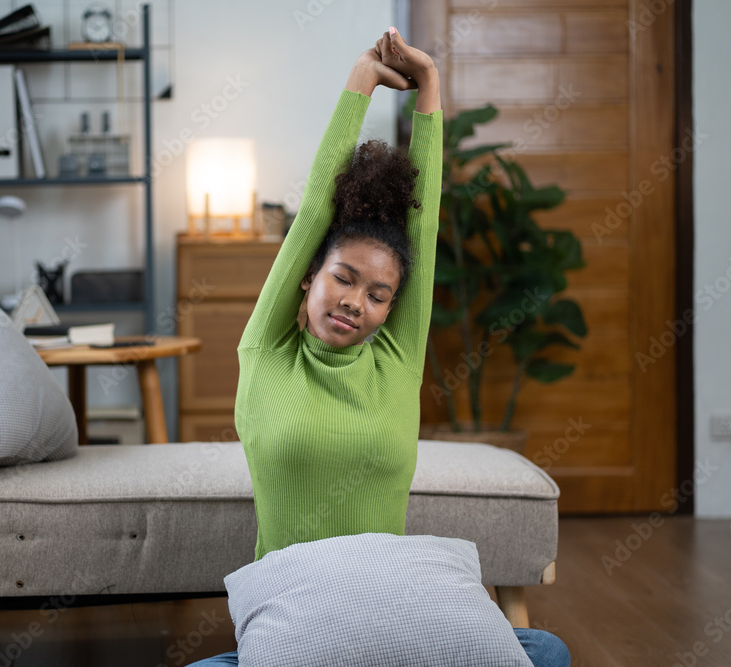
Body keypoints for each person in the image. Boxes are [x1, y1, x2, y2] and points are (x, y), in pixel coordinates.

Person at [189, 28, 570, 667]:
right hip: (299, 612)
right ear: (309, 275)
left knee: (547, 650)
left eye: (377, 294)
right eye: (343, 278)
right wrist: (361, 81)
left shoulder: (395, 361)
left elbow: (423, 220)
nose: (355, 302)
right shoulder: (265, 353)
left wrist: (431, 89)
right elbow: (314, 212)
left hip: (390, 602)